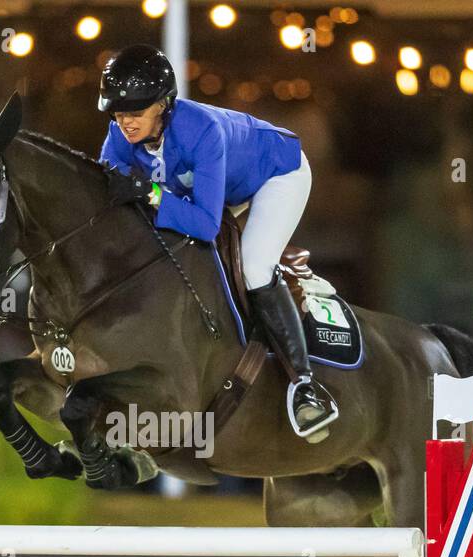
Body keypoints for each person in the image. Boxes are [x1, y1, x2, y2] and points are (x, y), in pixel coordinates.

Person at [95, 44, 337, 440]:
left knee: (255, 265)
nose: (126, 123)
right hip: (221, 189)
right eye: (119, 113)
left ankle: (304, 385)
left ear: (164, 106)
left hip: (276, 174)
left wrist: (151, 194)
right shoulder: (119, 136)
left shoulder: (200, 131)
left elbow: (206, 225)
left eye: (136, 112)